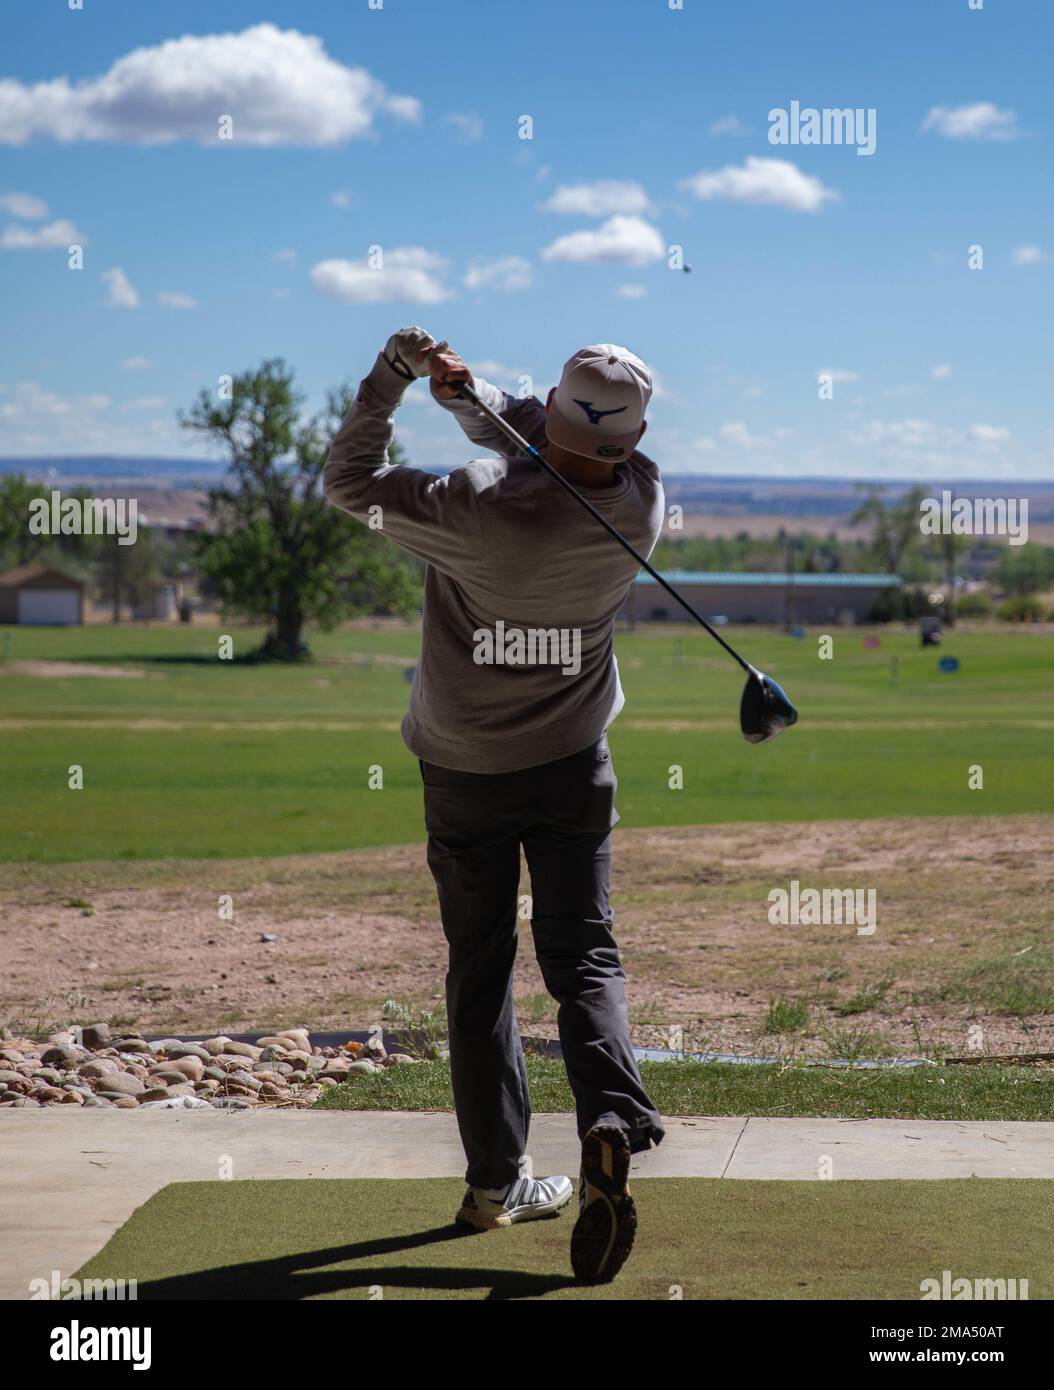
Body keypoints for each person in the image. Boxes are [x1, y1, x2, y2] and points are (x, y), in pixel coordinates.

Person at [324, 327, 666, 1283]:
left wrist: (390, 380)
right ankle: (608, 1115)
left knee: (481, 970)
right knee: (584, 950)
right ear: (630, 439)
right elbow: (548, 448)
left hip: (467, 769)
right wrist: (472, 398)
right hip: (573, 764)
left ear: (554, 412)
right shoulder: (640, 501)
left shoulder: (471, 505)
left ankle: (495, 1184)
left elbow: (352, 483)